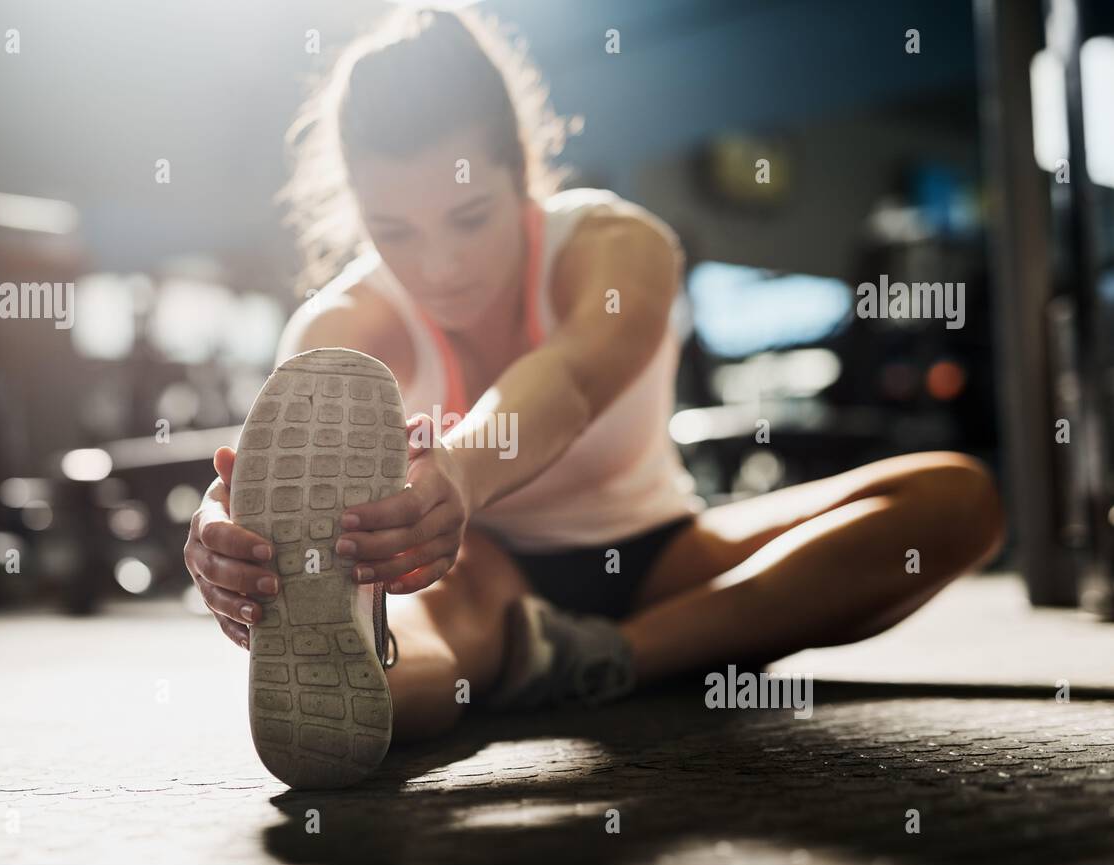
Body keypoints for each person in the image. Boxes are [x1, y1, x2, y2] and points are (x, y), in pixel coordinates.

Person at [183, 5, 1003, 749]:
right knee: (396, 640)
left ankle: (606, 659)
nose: (440, 265)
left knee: (957, 499)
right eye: (394, 230)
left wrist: (460, 470)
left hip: (665, 560)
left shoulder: (619, 247)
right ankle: (371, 699)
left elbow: (569, 381)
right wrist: (247, 543)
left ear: (522, 171)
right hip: (482, 575)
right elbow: (298, 486)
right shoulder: (342, 325)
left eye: (469, 217)